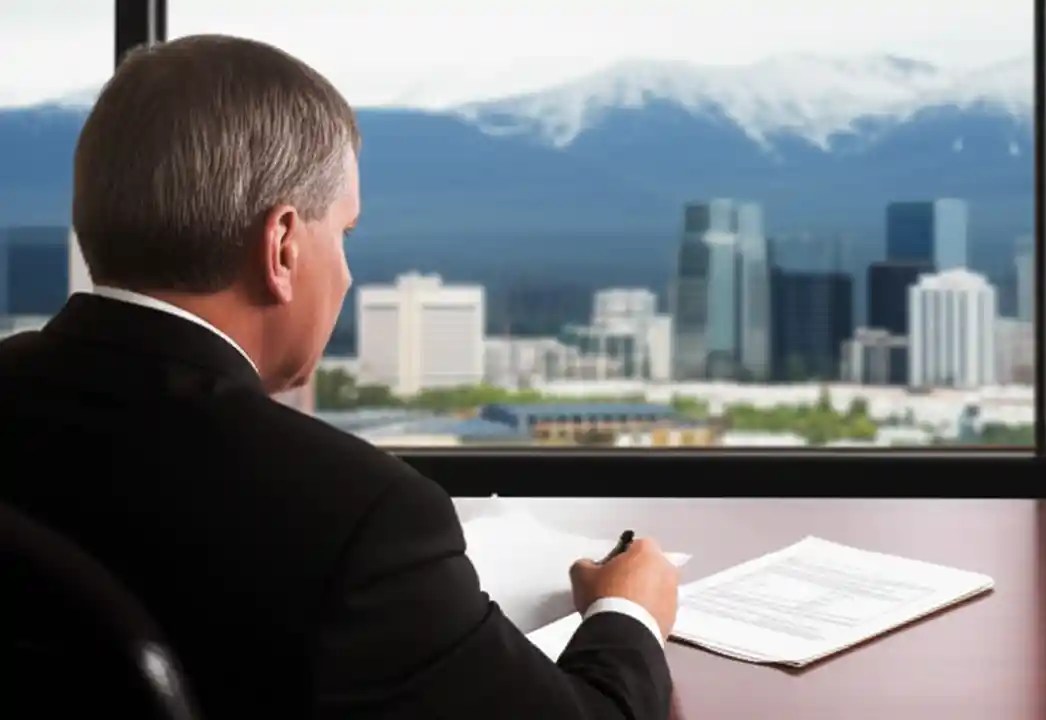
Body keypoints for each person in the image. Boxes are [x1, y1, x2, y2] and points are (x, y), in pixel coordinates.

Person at [0, 34, 679, 719]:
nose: (348, 274)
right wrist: (629, 610)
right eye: (345, 235)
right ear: (284, 246)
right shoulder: (362, 522)